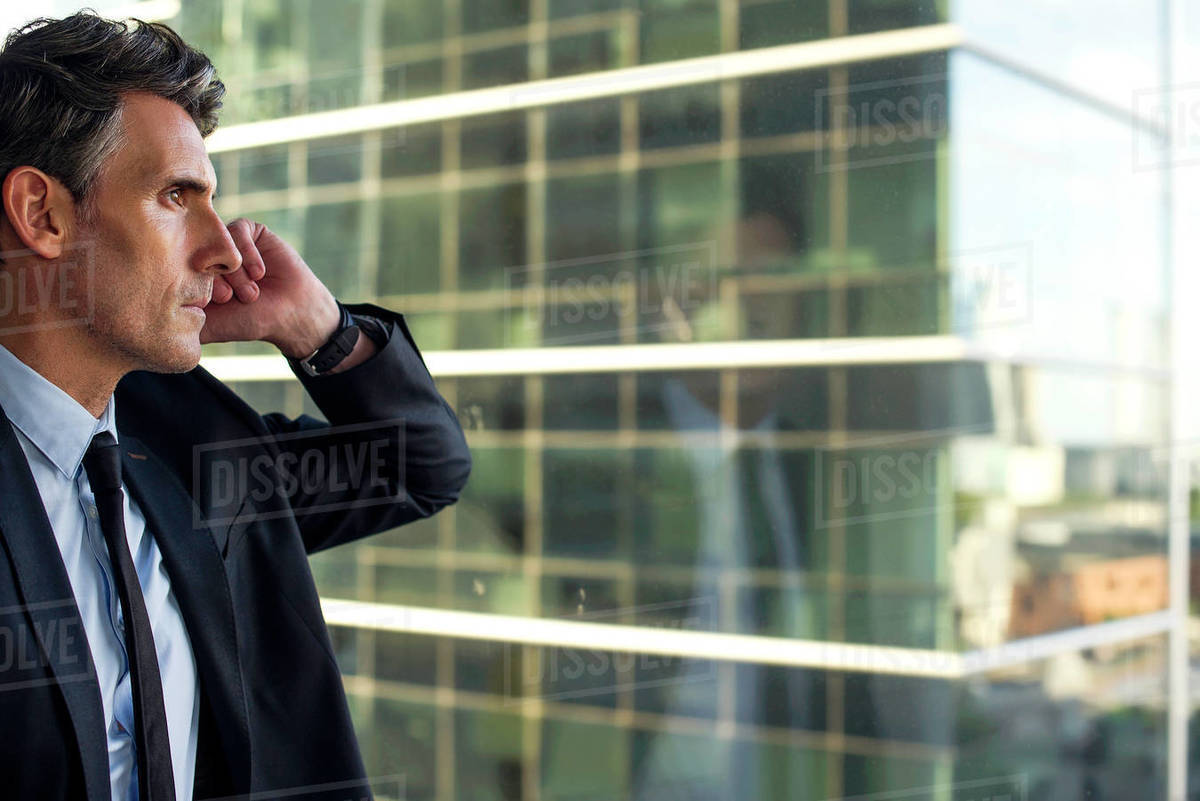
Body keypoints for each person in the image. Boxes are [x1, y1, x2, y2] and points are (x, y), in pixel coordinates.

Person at [0, 11, 470, 801]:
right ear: (43, 214)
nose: (224, 247)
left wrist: (318, 329)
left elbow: (420, 465)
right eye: (176, 195)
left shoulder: (198, 450)